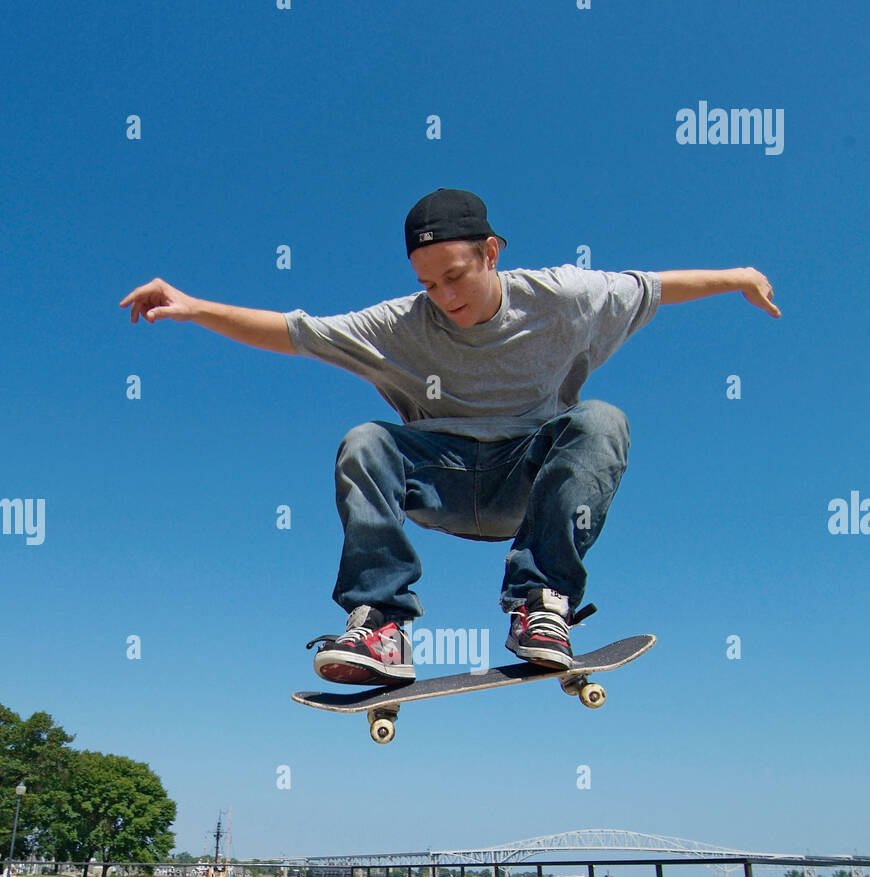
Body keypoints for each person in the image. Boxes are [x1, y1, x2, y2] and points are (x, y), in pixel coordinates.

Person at [120, 188, 779, 685]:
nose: (443, 296)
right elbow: (295, 331)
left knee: (602, 420)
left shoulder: (564, 297)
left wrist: (740, 277)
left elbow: (656, 287)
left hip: (527, 481)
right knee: (364, 441)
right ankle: (382, 624)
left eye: (455, 276)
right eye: (427, 283)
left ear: (492, 252)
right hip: (439, 479)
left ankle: (541, 603)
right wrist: (195, 306)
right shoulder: (400, 324)